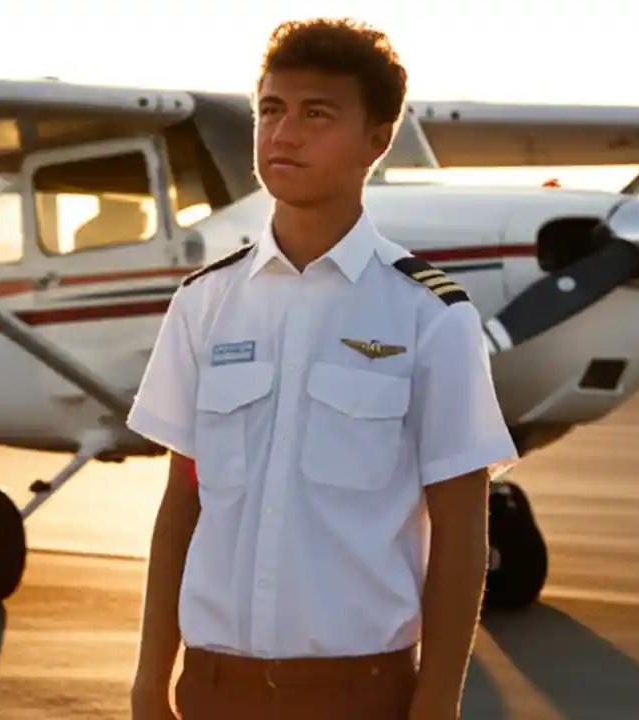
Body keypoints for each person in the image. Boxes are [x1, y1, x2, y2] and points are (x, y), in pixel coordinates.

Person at [125, 17, 519, 720]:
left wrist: (437, 705)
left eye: (317, 114)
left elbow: (461, 530)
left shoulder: (431, 316)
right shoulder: (204, 304)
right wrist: (149, 682)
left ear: (377, 140)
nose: (284, 133)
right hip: (212, 693)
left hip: (360, 695)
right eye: (270, 110)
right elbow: (182, 503)